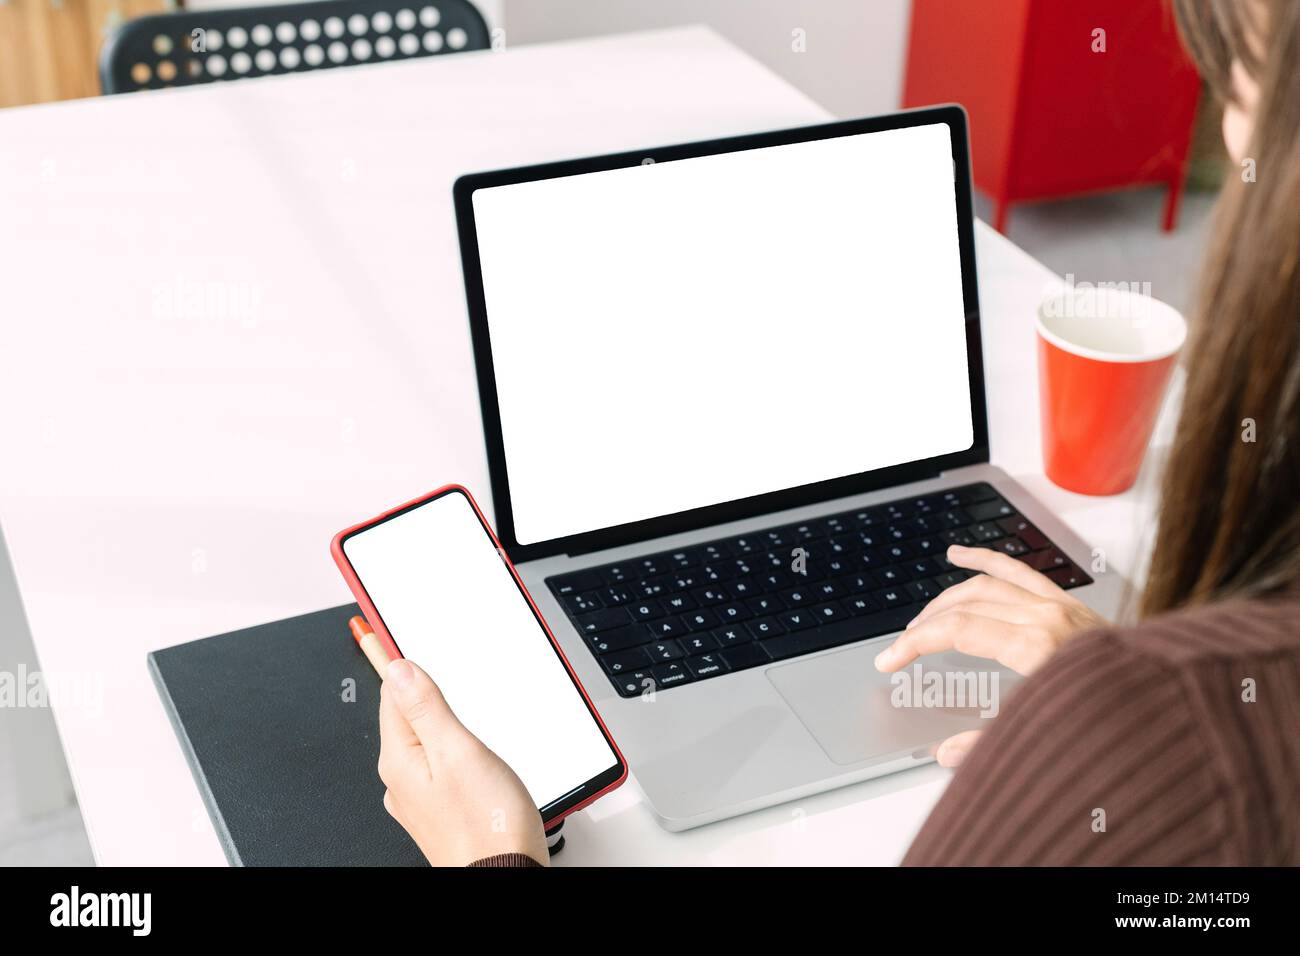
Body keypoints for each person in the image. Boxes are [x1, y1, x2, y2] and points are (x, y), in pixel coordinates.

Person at [376, 0, 1300, 866]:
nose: (1225, 129)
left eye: (1239, 84)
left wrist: (489, 852)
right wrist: (1112, 680)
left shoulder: (1180, 753)